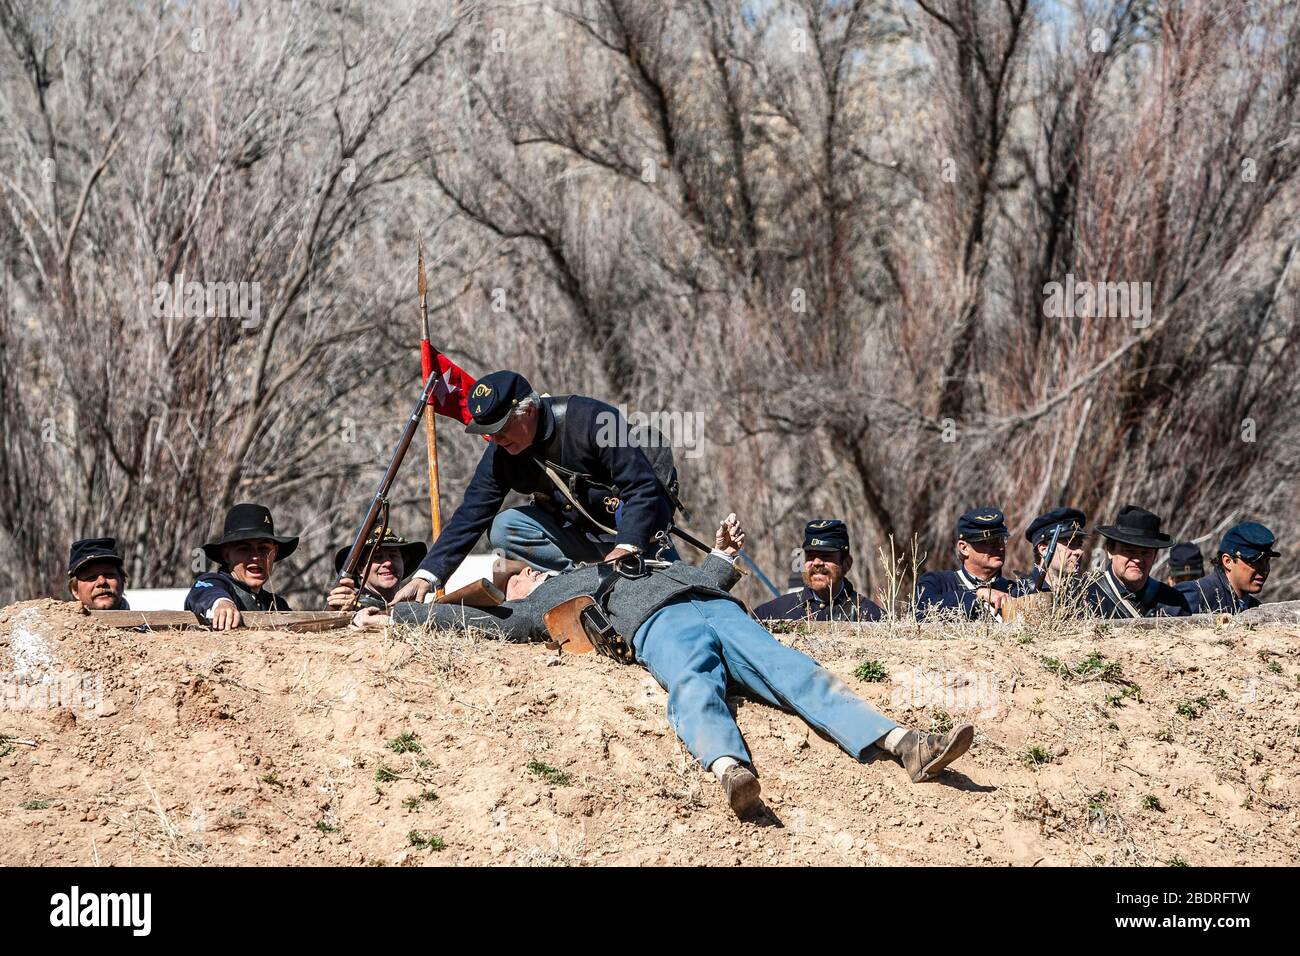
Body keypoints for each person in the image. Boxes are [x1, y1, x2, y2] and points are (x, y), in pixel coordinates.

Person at [356, 514, 975, 817]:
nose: (517, 581)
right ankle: (730, 766)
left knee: (795, 670)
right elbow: (481, 622)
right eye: (509, 578)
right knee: (692, 681)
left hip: (717, 605)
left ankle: (901, 741)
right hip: (659, 627)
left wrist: (726, 556)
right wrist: (401, 616)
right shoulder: (546, 603)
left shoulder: (633, 559)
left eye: (515, 573)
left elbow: (705, 572)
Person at [394, 370, 676, 604]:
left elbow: (641, 487)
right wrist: (427, 575)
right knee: (505, 526)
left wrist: (627, 546)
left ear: (528, 410)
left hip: (634, 533)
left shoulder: (593, 420)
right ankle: (574, 584)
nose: (496, 439)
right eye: (489, 432)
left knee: (673, 594)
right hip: (576, 537)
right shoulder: (500, 452)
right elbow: (471, 513)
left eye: (502, 428)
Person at [185, 503, 296, 629]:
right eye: (244, 549)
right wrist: (222, 603)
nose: (256, 557)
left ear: (274, 553)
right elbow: (205, 591)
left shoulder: (277, 605)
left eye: (264, 548)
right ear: (226, 554)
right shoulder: (214, 583)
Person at [754, 519, 883, 622]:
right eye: (810, 556)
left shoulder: (872, 616)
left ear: (846, 564)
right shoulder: (773, 613)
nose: (817, 563)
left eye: (826, 556)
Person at [1083, 505, 1189, 618]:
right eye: (1130, 551)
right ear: (1110, 550)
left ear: (1155, 555)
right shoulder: (1084, 595)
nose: (1137, 560)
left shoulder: (1173, 602)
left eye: (1145, 553)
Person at [914, 508, 1015, 619]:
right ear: (964, 548)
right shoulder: (938, 582)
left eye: (1001, 539)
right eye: (989, 541)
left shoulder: (1013, 589)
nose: (999, 547)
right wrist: (977, 596)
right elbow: (919, 611)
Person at [1183, 522, 1279, 615]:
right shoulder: (1196, 596)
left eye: (1267, 561)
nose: (1264, 569)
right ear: (1227, 562)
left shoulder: (1256, 608)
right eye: (1254, 561)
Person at [327, 528, 427, 610]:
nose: (388, 563)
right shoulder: (352, 606)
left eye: (393, 555)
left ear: (403, 563)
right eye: (377, 557)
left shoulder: (415, 603)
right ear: (360, 569)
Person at [1013, 508, 1088, 595]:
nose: (1079, 551)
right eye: (1070, 544)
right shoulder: (1020, 594)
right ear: (1043, 549)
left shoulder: (1084, 595)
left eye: (1079, 544)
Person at [67, 538, 130, 610]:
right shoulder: (58, 621)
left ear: (122, 582)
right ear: (75, 590)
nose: (102, 582)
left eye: (109, 575)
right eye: (91, 577)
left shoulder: (143, 620)